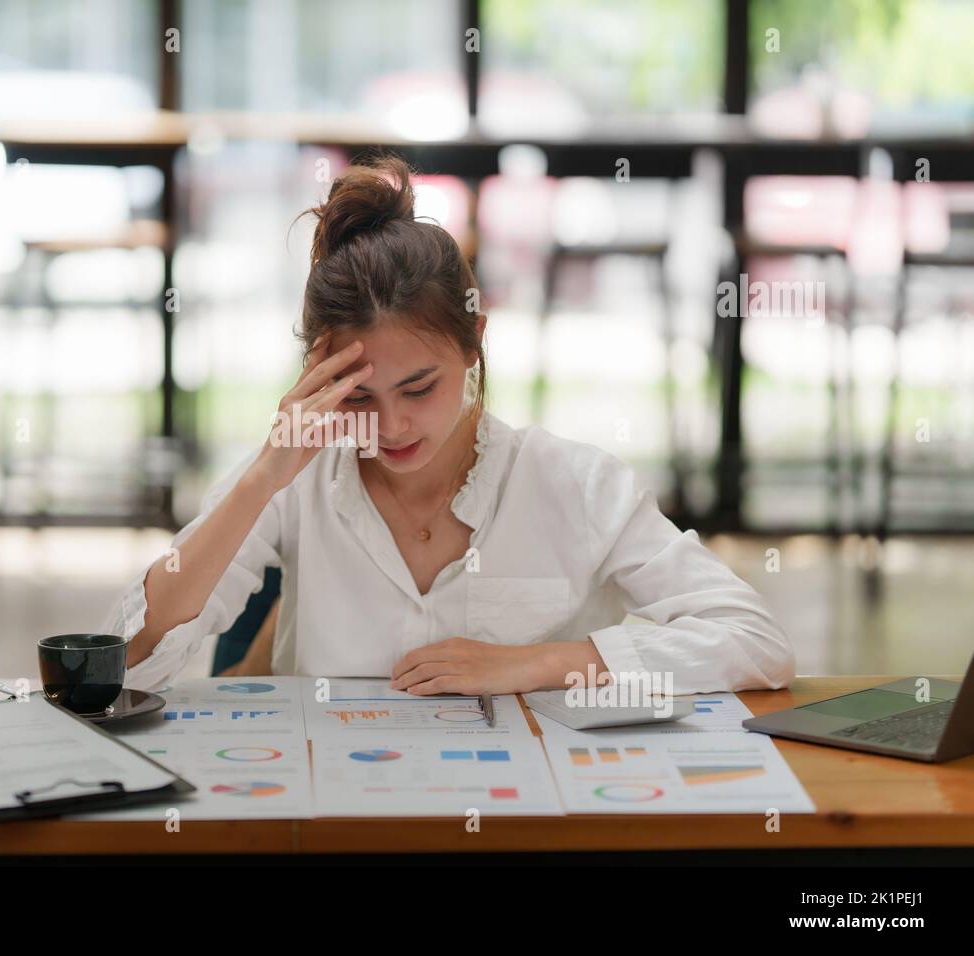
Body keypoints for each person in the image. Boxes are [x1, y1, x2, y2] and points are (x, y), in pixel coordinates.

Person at [105, 153, 794, 697]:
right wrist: (263, 477)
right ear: (318, 375)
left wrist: (539, 663)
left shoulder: (573, 483)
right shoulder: (296, 483)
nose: (393, 425)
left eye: (419, 386)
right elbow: (130, 664)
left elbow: (754, 639)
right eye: (360, 396)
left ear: (473, 345)